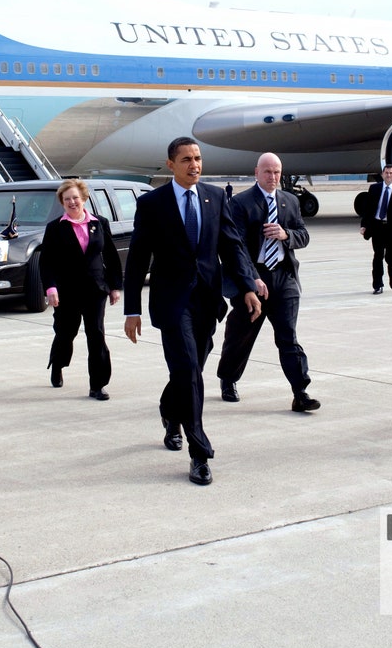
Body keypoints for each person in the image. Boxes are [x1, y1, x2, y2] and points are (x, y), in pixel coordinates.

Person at [123, 137, 262, 486]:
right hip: (172, 303)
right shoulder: (153, 203)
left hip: (206, 300)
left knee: (191, 371)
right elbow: (138, 257)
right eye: (186, 159)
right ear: (171, 164)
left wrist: (246, 285)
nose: (194, 165)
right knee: (187, 370)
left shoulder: (215, 197)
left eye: (198, 158)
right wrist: (131, 309)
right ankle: (199, 453)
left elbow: (231, 245)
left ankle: (171, 413)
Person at [215, 153, 319, 411]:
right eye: (268, 172)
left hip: (284, 278)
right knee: (241, 335)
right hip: (252, 278)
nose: (273, 177)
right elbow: (234, 247)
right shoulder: (240, 203)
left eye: (276, 172)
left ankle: (300, 392)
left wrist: (287, 235)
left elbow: (303, 235)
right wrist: (252, 279)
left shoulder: (290, 201)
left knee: (288, 337)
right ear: (256, 173)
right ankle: (228, 379)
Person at [39, 179, 123, 399]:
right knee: (66, 332)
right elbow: (46, 262)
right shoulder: (55, 227)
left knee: (96, 334)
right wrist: (50, 288)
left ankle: (97, 385)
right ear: (62, 203)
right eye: (67, 199)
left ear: (84, 199)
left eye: (75, 198)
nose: (72, 202)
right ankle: (57, 364)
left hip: (95, 289)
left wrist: (115, 286)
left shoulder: (100, 223)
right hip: (67, 290)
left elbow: (112, 257)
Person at [359, 164, 392, 294]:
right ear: (382, 174)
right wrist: (364, 225)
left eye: (391, 173)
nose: (388, 175)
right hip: (378, 226)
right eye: (386, 173)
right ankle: (378, 285)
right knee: (378, 256)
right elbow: (368, 209)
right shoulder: (374, 188)